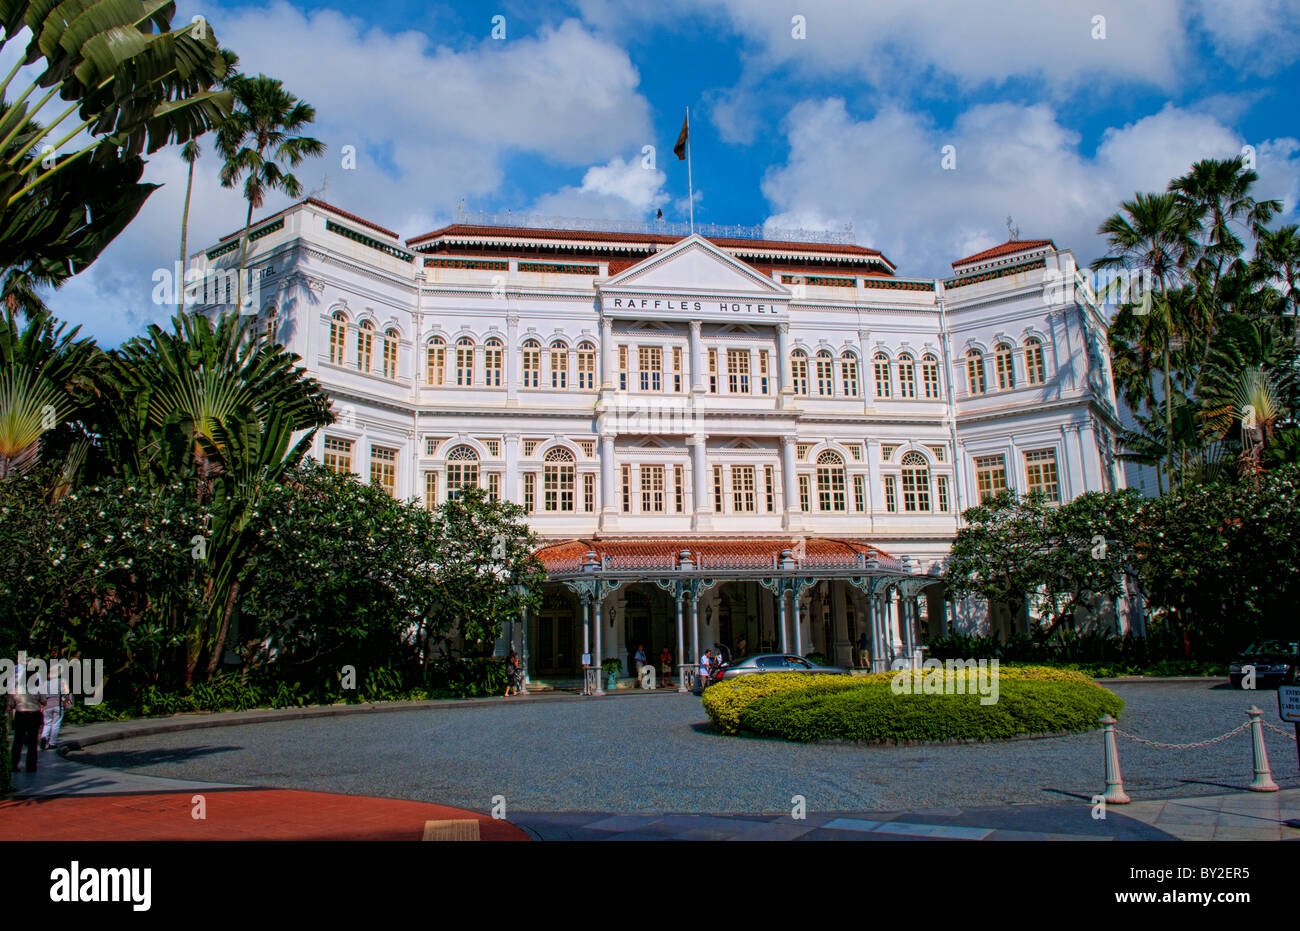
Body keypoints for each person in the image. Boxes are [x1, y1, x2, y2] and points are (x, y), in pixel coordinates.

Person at [8, 659, 45, 772]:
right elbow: (44, 701)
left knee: (18, 740)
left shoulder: (17, 688)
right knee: (33, 741)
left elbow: (11, 703)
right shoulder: (37, 687)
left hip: (20, 714)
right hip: (34, 714)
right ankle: (31, 766)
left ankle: (14, 764)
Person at [40, 651, 71, 750]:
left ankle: (44, 737)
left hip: (46, 706)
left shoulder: (46, 683)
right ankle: (52, 743)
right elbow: (66, 694)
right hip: (57, 705)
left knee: (47, 723)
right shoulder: (61, 682)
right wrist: (66, 702)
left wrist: (42, 705)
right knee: (56, 724)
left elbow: (42, 695)